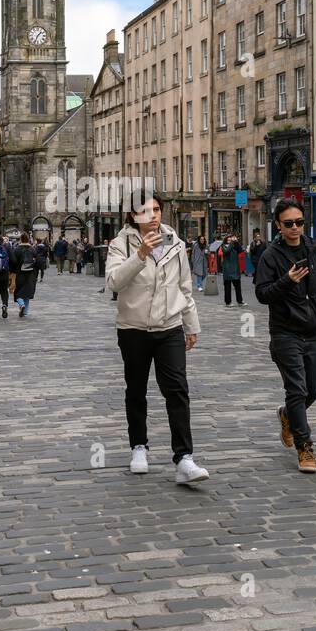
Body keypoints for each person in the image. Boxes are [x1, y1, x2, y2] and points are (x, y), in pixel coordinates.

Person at [106, 194, 208, 485]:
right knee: (136, 389)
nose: (153, 215)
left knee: (177, 389)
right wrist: (138, 257)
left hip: (169, 326)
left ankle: (184, 458)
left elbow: (184, 287)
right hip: (133, 328)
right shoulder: (121, 244)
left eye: (157, 209)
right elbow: (113, 282)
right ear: (133, 216)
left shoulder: (175, 242)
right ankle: (139, 447)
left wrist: (191, 325)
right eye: (145, 211)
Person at [254, 199, 316, 474]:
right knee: (297, 390)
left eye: (299, 222)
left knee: (315, 389)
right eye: (289, 224)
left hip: (313, 330)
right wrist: (287, 280)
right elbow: (262, 294)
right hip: (285, 332)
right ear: (278, 225)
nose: (295, 228)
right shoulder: (270, 256)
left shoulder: (315, 250)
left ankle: (288, 415)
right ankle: (305, 446)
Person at [10, 230, 39, 317]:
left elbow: (13, 262)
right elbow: (36, 262)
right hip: (30, 274)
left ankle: (21, 304)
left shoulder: (17, 250)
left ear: (21, 240)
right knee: (27, 292)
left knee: (18, 292)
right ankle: (25, 311)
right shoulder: (32, 249)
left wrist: (12, 273)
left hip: (19, 273)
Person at [221, 234, 244, 306]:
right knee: (227, 288)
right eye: (228, 240)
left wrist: (237, 242)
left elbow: (240, 251)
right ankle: (228, 302)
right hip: (227, 270)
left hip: (235, 269)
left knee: (238, 287)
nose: (230, 241)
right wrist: (232, 243)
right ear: (225, 241)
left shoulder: (234, 245)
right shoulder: (223, 246)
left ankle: (240, 301)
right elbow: (226, 251)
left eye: (231, 240)